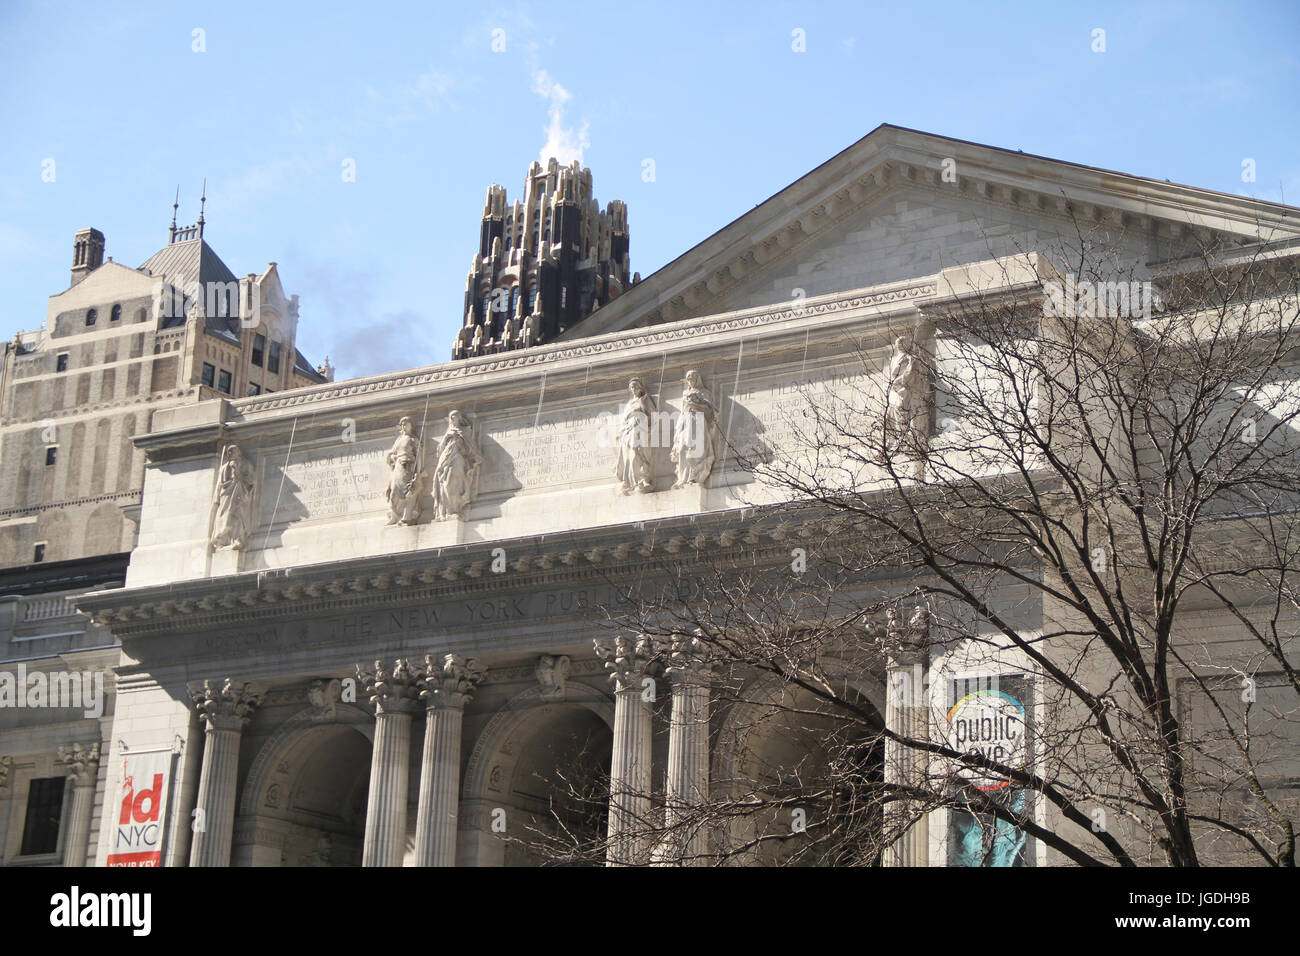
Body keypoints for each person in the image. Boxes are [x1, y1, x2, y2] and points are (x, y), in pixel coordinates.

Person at [671, 369, 719, 487]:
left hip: (698, 422)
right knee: (683, 449)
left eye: (692, 378)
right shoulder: (685, 394)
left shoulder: (704, 392)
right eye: (688, 378)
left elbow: (711, 409)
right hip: (686, 423)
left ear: (697, 379)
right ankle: (684, 477)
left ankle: (694, 476)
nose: (690, 380)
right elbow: (682, 412)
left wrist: (696, 404)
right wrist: (678, 432)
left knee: (695, 450)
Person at [432, 409, 484, 520]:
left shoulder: (463, 432)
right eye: (451, 417)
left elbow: (469, 449)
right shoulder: (448, 432)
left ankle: (454, 509)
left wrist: (459, 440)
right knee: (445, 483)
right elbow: (439, 450)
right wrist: (447, 437)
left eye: (455, 416)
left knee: (453, 482)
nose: (452, 419)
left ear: (459, 419)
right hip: (445, 459)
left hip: (457, 460)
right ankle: (445, 510)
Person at [616, 378, 656, 494]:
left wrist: (643, 406)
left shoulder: (644, 400)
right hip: (628, 430)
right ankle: (630, 481)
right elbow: (624, 419)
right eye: (632, 387)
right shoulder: (629, 404)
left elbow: (652, 416)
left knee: (639, 452)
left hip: (640, 428)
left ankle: (643, 479)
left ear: (640, 388)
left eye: (636, 386)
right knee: (629, 456)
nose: (634, 389)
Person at [211, 444, 254, 549]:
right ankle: (221, 539)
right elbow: (220, 484)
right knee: (224, 515)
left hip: (240, 493)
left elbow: (250, 481)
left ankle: (237, 539)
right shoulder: (224, 467)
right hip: (226, 495)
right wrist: (216, 498)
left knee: (238, 515)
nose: (230, 453)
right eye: (229, 451)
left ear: (239, 452)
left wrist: (237, 472)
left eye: (233, 451)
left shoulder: (246, 464)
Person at [385, 417, 425, 525]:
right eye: (402, 424)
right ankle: (394, 516)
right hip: (398, 468)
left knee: (408, 492)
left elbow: (418, 457)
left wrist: (418, 472)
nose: (404, 426)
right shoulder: (398, 440)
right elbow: (391, 453)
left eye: (406, 424)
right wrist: (392, 457)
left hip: (408, 468)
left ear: (411, 426)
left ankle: (406, 516)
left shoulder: (413, 440)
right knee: (393, 492)